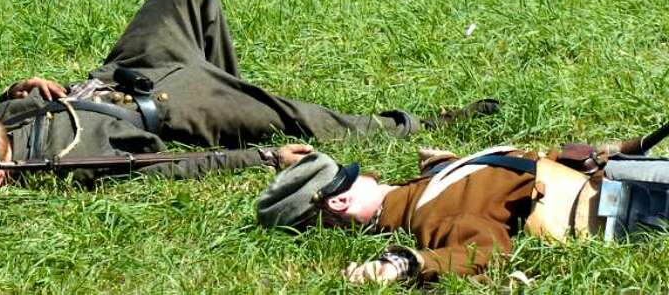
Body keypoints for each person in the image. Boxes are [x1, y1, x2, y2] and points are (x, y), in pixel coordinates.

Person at [0, 0, 497, 188]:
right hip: (176, 104)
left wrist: (19, 93)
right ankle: (416, 123)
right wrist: (265, 158)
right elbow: (174, 165)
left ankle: (236, 92)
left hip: (126, 68)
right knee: (301, 120)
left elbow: (5, 110)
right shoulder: (70, 166)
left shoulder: (4, 124)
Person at [255, 137, 660, 284]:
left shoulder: (419, 193)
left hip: (621, 176)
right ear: (341, 201)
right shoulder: (436, 215)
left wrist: (446, 168)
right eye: (351, 176)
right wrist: (404, 263)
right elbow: (484, 251)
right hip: (636, 207)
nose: (369, 175)